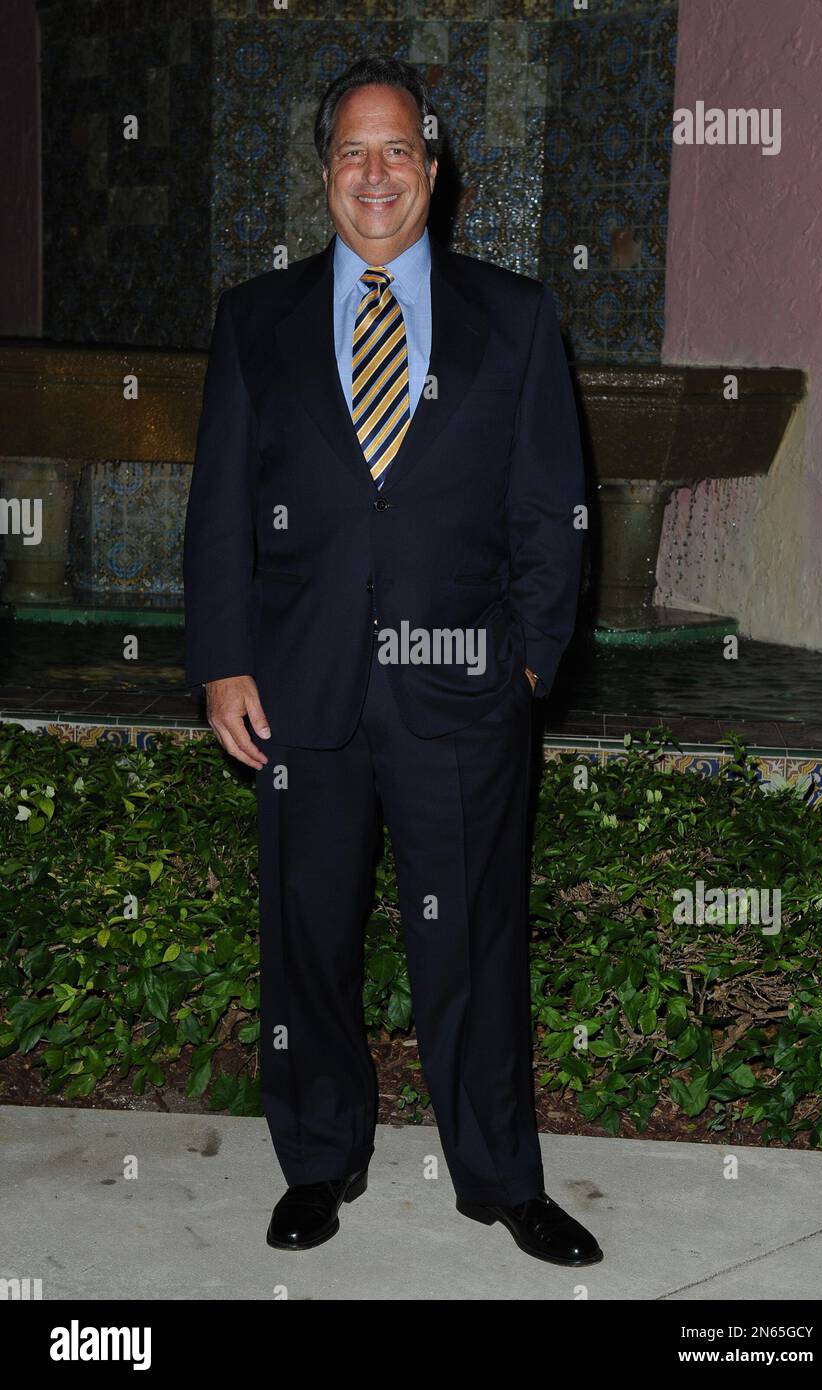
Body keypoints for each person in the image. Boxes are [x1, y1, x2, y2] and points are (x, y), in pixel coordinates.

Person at [183, 55, 601, 1269]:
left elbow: (550, 509)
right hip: (298, 693)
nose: (376, 174)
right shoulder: (252, 320)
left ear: (433, 167)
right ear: (326, 174)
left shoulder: (513, 318)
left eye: (398, 151)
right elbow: (219, 511)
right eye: (352, 153)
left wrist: (527, 662)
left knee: (472, 944)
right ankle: (318, 1160)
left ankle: (501, 1178)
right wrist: (220, 661)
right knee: (305, 938)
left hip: (464, 691)